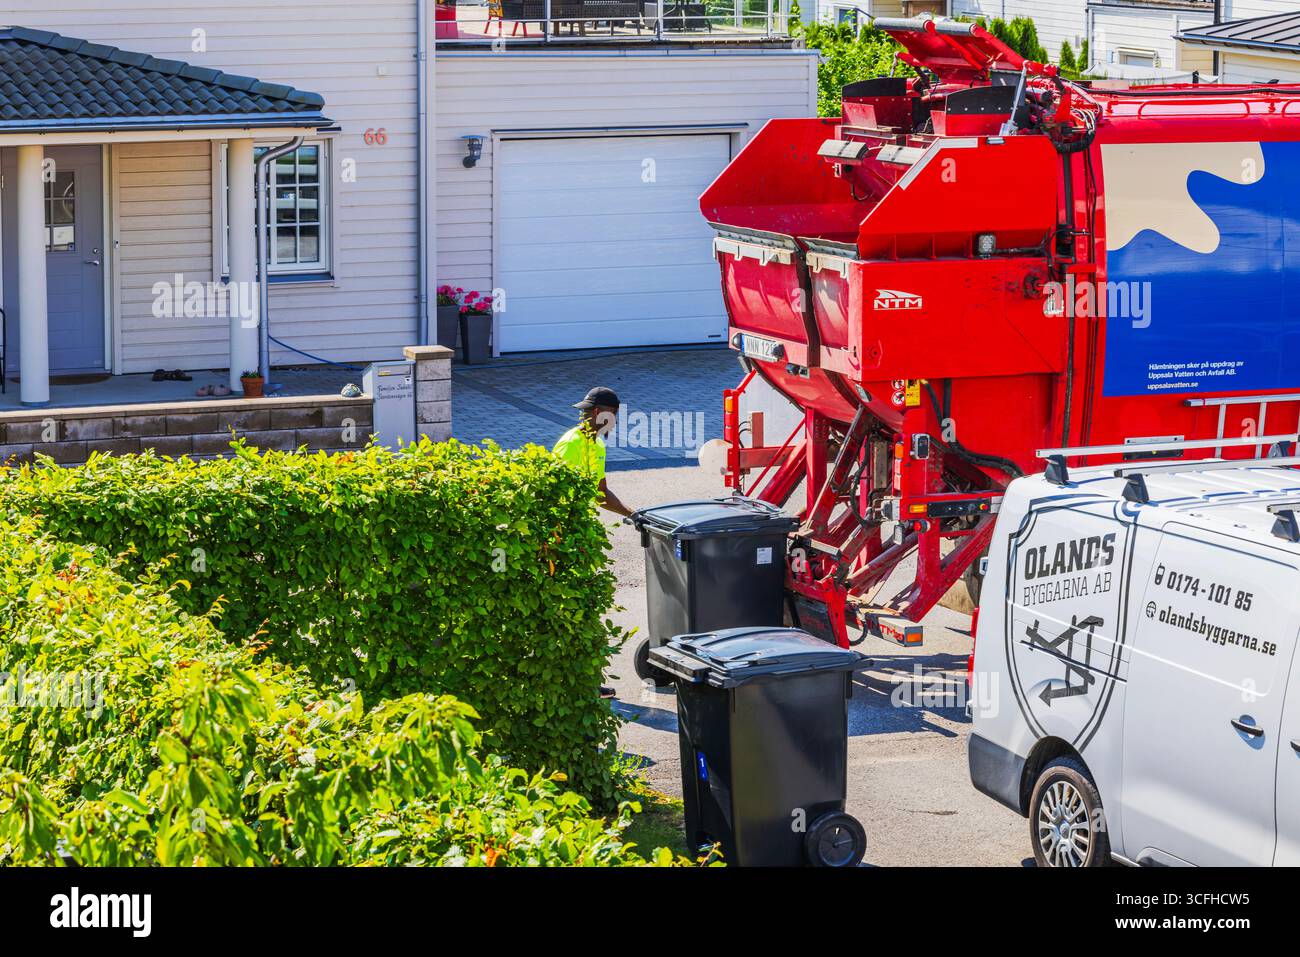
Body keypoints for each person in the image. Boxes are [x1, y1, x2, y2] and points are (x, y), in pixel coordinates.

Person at [552, 387, 633, 518]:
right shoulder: (571, 443)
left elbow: (600, 492)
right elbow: (552, 493)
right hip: (562, 525)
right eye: (613, 415)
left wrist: (633, 514)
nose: (614, 421)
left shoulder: (598, 445)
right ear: (597, 412)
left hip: (581, 522)